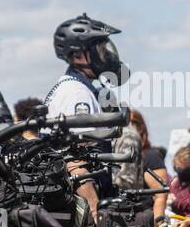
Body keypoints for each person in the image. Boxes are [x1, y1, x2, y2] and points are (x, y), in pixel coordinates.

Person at [45, 13, 129, 215]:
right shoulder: (76, 93)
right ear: (78, 55)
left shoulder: (74, 87)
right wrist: (94, 211)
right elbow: (76, 162)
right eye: (99, 50)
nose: (106, 56)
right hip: (76, 205)